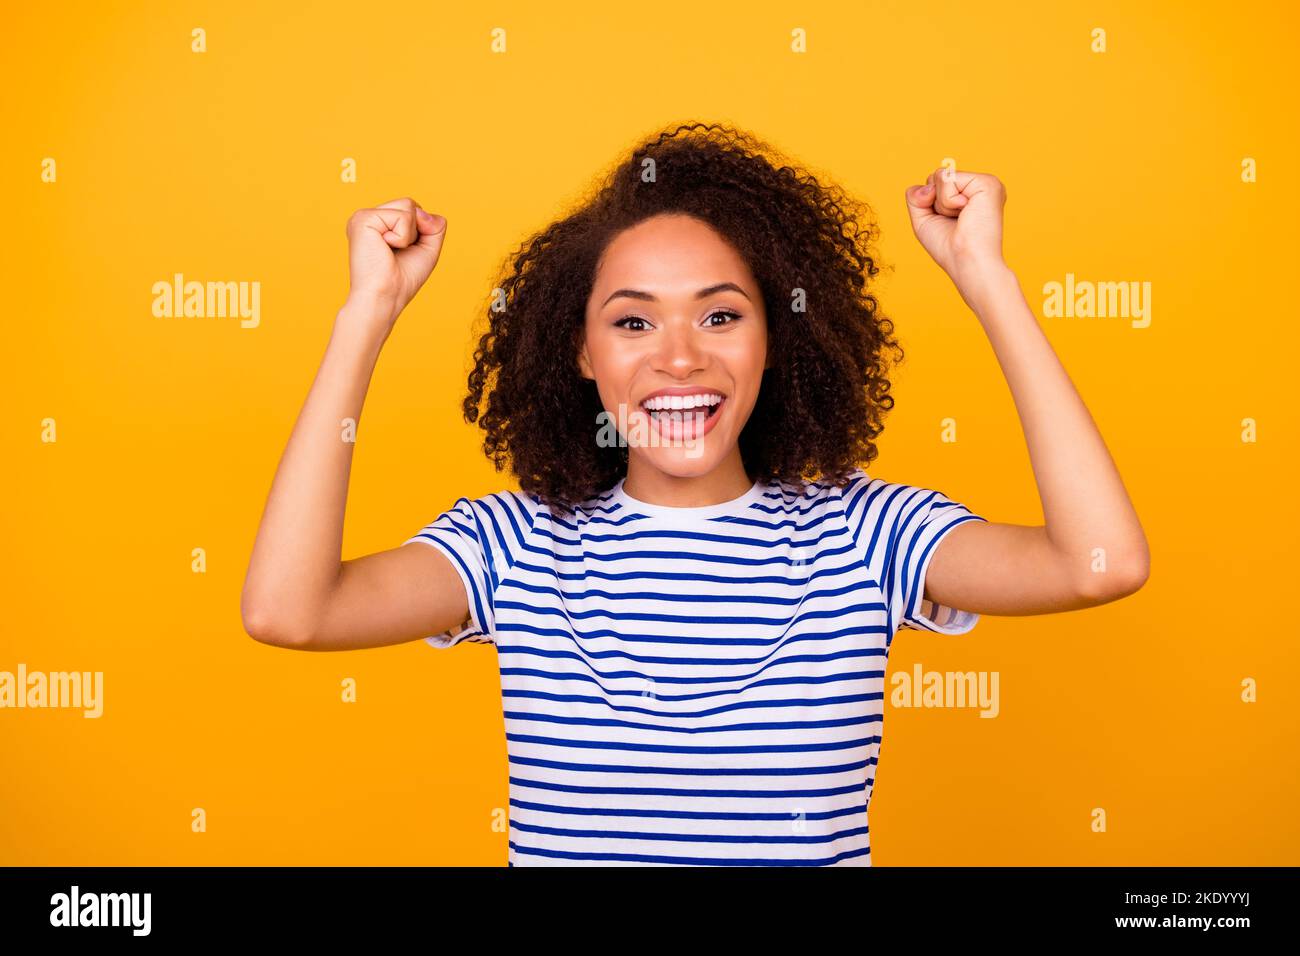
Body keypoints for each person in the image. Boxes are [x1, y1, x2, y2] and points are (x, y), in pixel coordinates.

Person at [241, 122, 1149, 866]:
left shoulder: (868, 532)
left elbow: (1099, 564)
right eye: (633, 321)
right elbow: (289, 610)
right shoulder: (513, 546)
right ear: (584, 356)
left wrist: (989, 283)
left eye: (721, 314)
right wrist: (365, 316)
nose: (680, 357)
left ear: (772, 341)